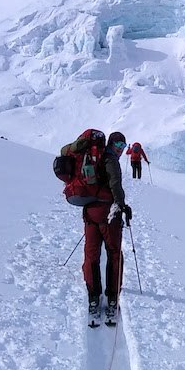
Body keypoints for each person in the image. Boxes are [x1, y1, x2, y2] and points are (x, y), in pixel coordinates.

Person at [60, 129, 133, 321]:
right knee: (114, 253)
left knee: (91, 255)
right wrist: (121, 204)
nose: (120, 150)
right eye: (118, 145)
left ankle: (93, 296)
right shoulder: (110, 160)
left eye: (123, 147)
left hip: (90, 213)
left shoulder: (93, 157)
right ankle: (111, 298)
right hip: (109, 215)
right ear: (111, 144)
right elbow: (115, 183)